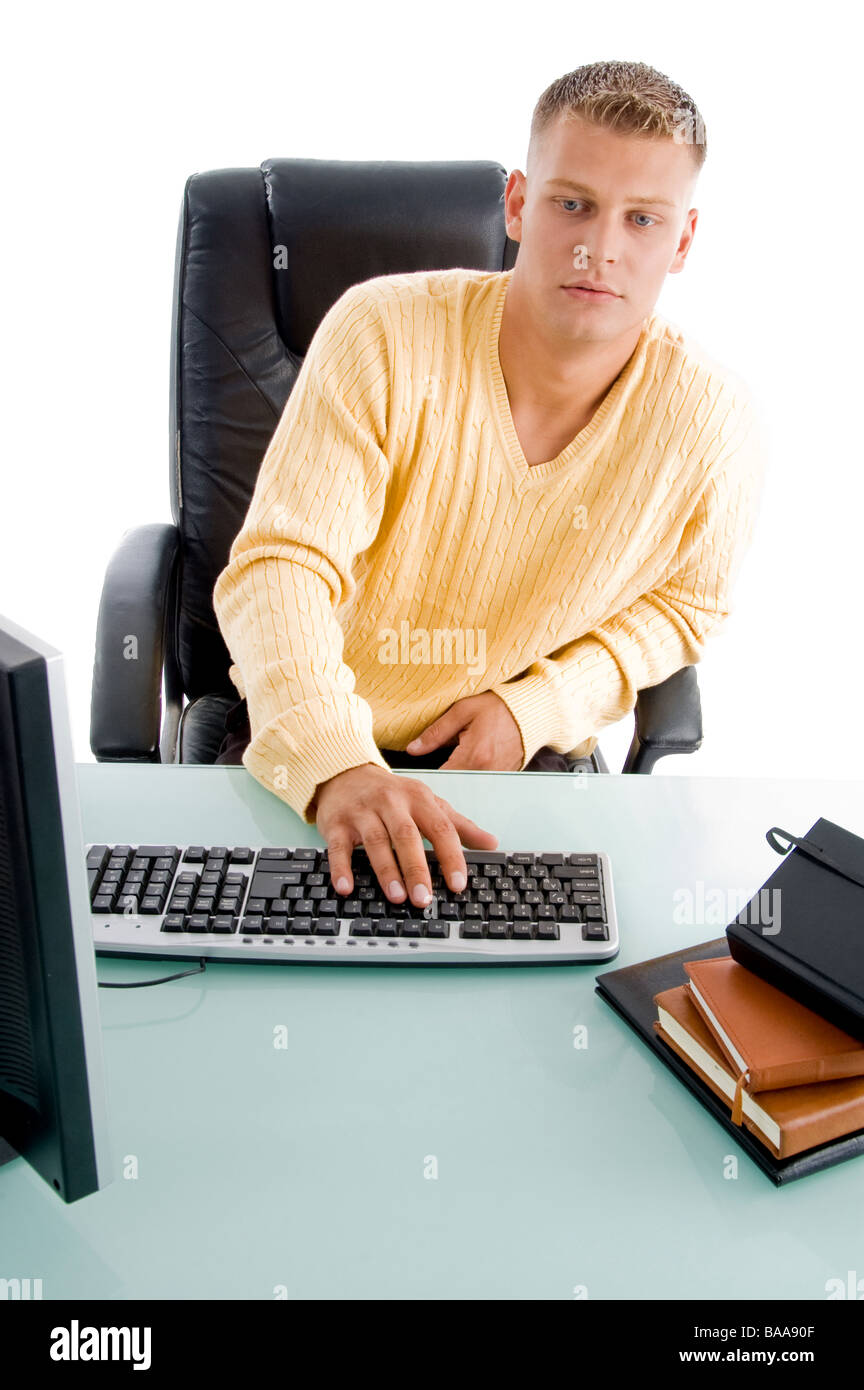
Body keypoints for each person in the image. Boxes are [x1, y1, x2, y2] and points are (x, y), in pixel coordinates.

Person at [212, 59, 765, 913]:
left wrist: (537, 706)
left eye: (642, 219)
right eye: (571, 203)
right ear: (517, 203)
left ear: (683, 241)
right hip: (315, 735)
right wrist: (338, 764)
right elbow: (280, 566)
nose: (599, 248)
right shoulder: (384, 332)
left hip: (518, 768)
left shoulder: (711, 420)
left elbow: (690, 606)